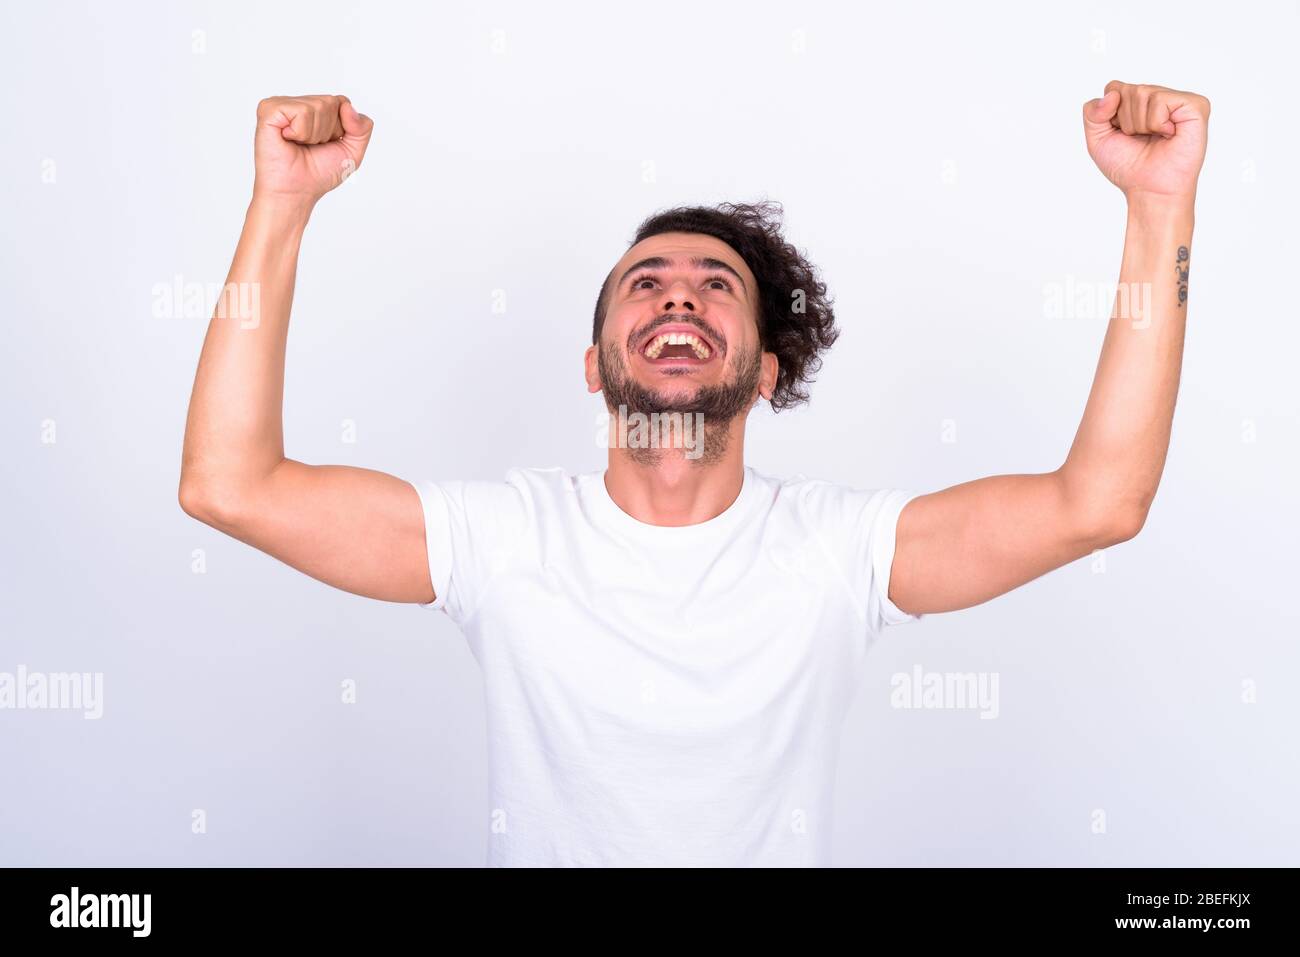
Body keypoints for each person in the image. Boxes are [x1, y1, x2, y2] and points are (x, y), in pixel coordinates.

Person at [179, 82, 1210, 866]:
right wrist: (283, 201)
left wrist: (1158, 207)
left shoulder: (835, 552)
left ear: (765, 370)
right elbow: (229, 484)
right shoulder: (502, 539)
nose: (679, 300)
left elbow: (1098, 503)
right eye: (646, 284)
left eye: (715, 285)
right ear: (596, 365)